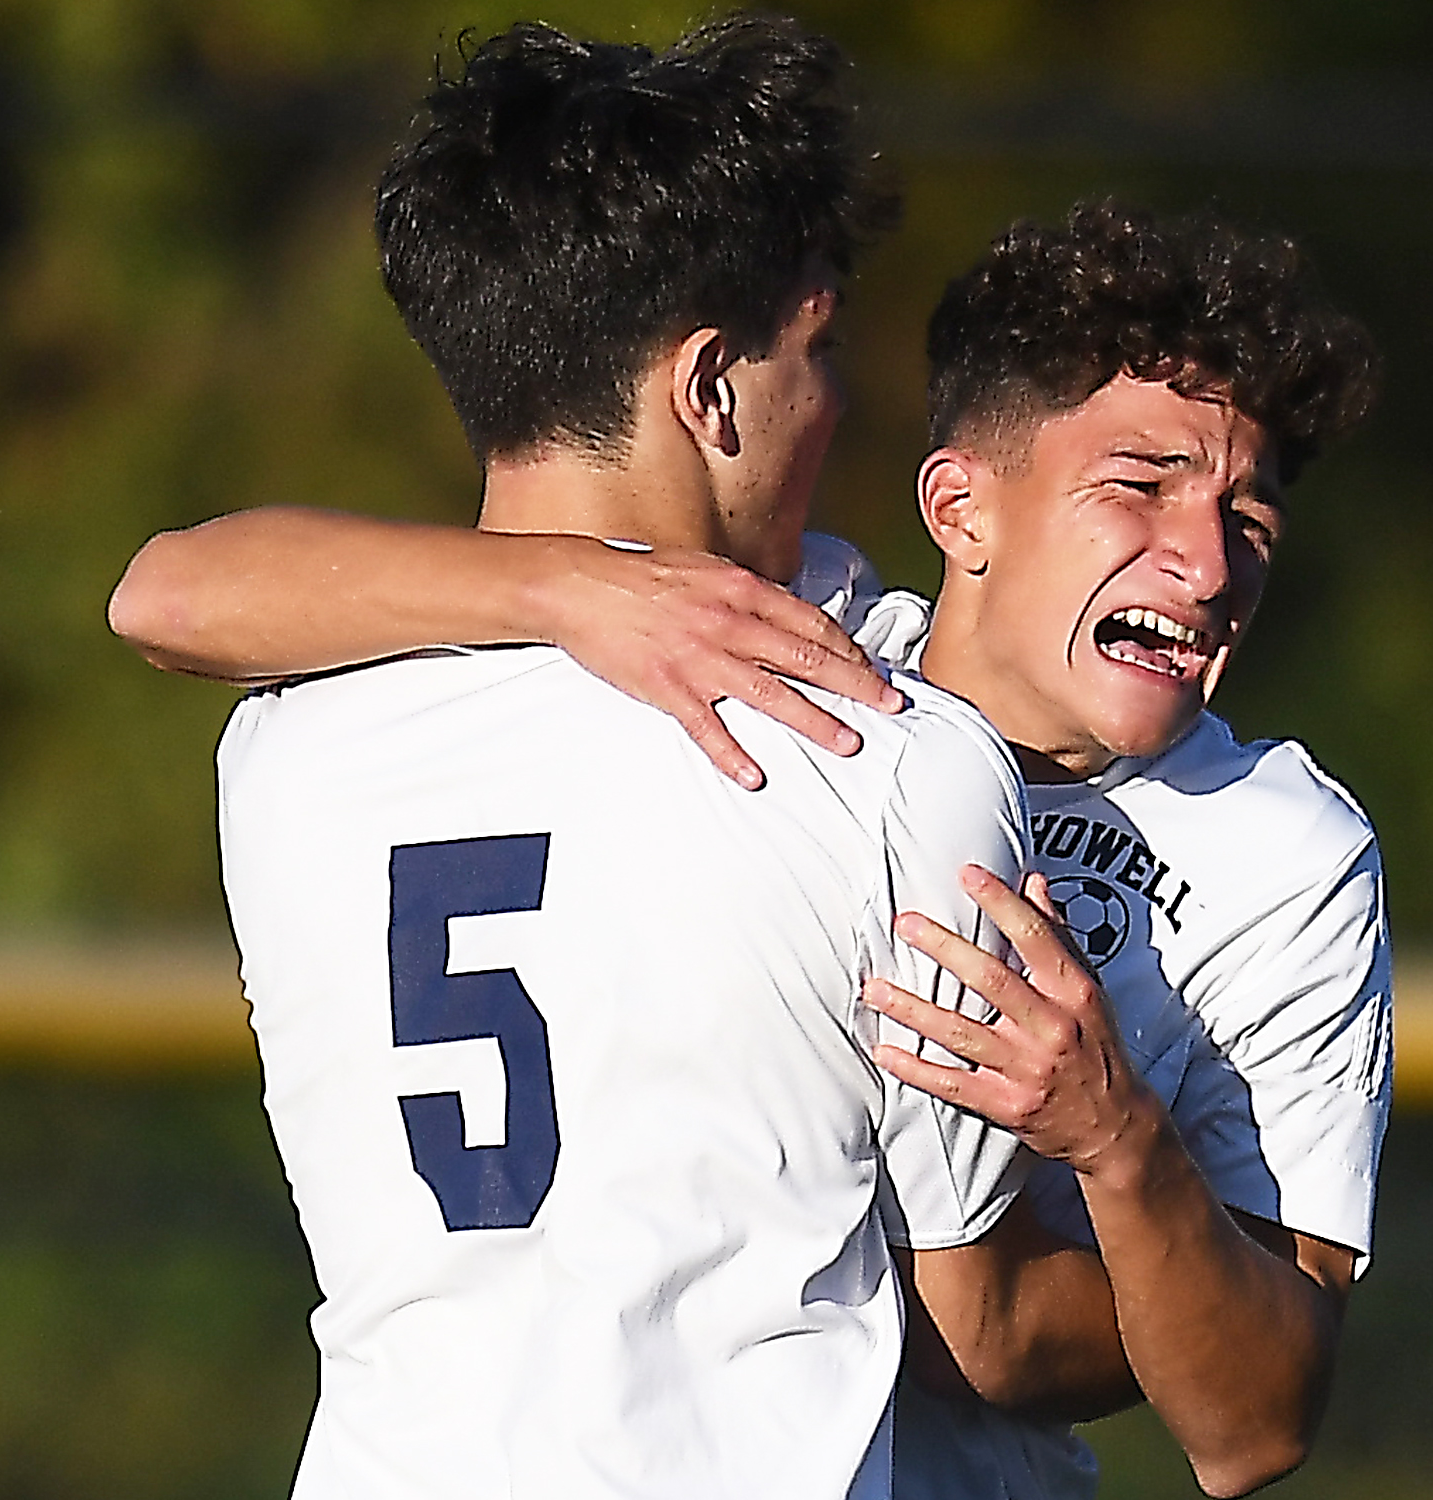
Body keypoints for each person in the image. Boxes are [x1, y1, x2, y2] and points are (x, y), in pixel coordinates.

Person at [117, 196, 1390, 1497]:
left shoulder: (1283, 856)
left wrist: (1119, 1143)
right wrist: (572, 586)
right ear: (962, 512)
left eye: (1253, 522)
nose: (1207, 561)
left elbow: (1252, 1428)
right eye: (1142, 487)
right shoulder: (788, 669)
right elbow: (169, 592)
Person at [174, 20, 1130, 1500]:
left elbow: (172, 591)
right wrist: (1207, 1243)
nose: (838, 402)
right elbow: (983, 1324)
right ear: (710, 389)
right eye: (817, 351)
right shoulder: (883, 758)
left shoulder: (284, 747)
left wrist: (561, 587)